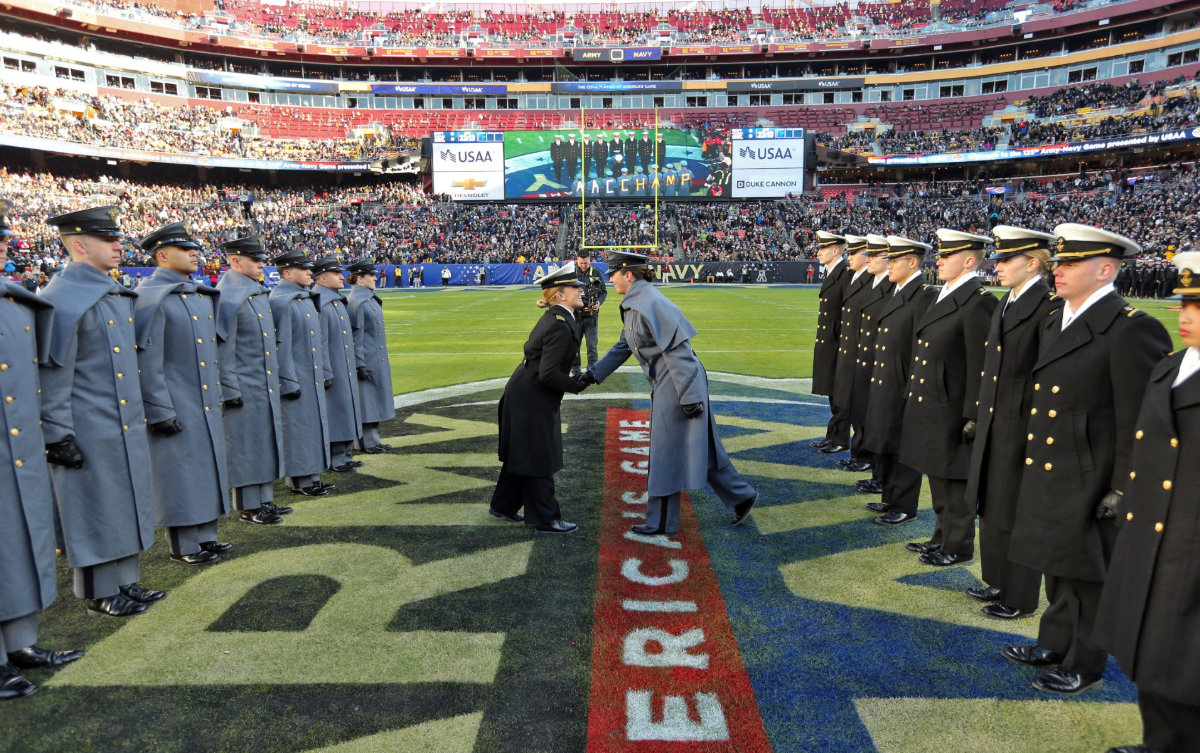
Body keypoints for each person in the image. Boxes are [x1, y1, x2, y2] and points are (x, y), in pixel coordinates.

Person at [1004, 223, 1171, 697]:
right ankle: (1055, 643)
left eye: (1070, 263)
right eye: (1058, 261)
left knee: (1089, 573)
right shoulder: (1059, 316)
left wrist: (1122, 487)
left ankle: (1086, 662)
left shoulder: (1131, 327)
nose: (1058, 270)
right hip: (1051, 464)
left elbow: (1139, 420)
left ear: (1104, 269)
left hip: (1091, 472)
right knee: (1056, 562)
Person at [1096, 251, 1200, 753]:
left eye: (1198, 308)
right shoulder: (1173, 366)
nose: (1185, 316)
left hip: (1190, 545)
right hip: (1154, 538)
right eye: (1185, 303)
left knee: (1186, 665)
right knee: (1153, 655)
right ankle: (1161, 742)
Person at [39, 206, 164, 618]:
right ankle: (99, 591)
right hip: (87, 424)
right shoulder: (62, 298)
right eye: (107, 240)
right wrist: (56, 432)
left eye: (117, 238)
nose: (117, 246)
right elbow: (53, 371)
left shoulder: (109, 291)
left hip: (121, 421)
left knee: (123, 501)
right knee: (92, 505)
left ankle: (125, 580)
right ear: (78, 244)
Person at [583, 251, 758, 535]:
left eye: (613, 273)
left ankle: (661, 521)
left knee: (665, 451)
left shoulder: (650, 301)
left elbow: (679, 352)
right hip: (672, 381)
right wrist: (593, 373)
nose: (610, 278)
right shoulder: (638, 301)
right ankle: (742, 495)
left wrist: (688, 397)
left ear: (628, 274)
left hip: (678, 382)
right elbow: (624, 345)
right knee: (702, 446)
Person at [0, 200, 82, 699]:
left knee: (16, 542)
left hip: (20, 445)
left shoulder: (17, 302)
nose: (6, 244)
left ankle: (20, 643)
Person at [962, 226, 1061, 620]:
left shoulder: (1047, 306)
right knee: (993, 504)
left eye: (1006, 260)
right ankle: (997, 580)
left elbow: (1045, 377)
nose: (997, 266)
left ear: (1032, 263)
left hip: (1021, 424)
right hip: (995, 419)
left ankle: (1019, 596)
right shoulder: (1008, 301)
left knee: (1017, 511)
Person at [899, 229, 998, 566]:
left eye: (946, 255)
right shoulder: (944, 294)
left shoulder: (979, 301)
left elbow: (981, 364)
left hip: (953, 405)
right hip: (933, 401)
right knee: (938, 475)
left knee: (955, 479)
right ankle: (940, 537)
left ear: (969, 261)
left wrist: (973, 414)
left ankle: (957, 546)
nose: (938, 260)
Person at [134, 223, 230, 566]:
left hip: (202, 400)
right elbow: (148, 360)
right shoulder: (151, 297)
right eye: (185, 249)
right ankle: (184, 545)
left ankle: (206, 536)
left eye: (195, 248)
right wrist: (159, 409)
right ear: (162, 255)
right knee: (180, 473)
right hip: (175, 401)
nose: (195, 253)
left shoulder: (197, 293)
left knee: (205, 466)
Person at [490, 263, 588, 534]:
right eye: (574, 287)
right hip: (532, 395)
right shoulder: (558, 323)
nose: (581, 289)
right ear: (560, 295)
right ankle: (546, 519)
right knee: (537, 455)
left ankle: (503, 505)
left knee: (524, 450)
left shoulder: (560, 317)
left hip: (526, 391)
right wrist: (576, 385)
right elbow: (548, 374)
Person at [864, 235, 936, 524]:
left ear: (913, 262)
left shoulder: (924, 294)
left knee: (904, 446)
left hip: (904, 382)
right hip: (888, 380)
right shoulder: (900, 289)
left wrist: (911, 385)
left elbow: (922, 346)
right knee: (888, 440)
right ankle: (891, 499)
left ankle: (904, 505)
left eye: (894, 260)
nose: (888, 264)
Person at [215, 236, 286, 525]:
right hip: (243, 384)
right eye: (255, 260)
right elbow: (223, 348)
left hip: (262, 381)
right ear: (235, 261)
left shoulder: (253, 292)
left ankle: (265, 499)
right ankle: (248, 505)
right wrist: (229, 388)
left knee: (264, 441)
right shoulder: (228, 296)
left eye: (261, 259)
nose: (261, 264)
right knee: (245, 444)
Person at [269, 250, 334, 497]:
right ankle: (299, 480)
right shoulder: (281, 300)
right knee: (297, 429)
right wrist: (287, 380)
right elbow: (280, 345)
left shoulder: (302, 298)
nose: (310, 272)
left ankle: (312, 477)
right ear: (287, 272)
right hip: (296, 377)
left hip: (310, 374)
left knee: (311, 427)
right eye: (304, 268)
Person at [311, 256, 362, 474]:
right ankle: (335, 458)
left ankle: (344, 454)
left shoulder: (334, 300)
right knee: (335, 412)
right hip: (333, 367)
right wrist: (325, 369)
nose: (342, 277)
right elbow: (319, 342)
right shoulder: (320, 302)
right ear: (322, 278)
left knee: (345, 409)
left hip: (344, 365)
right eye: (336, 274)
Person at [851, 235, 894, 493]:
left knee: (880, 425)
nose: (868, 259)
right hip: (867, 362)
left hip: (881, 367)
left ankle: (881, 479)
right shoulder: (875, 283)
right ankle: (876, 474)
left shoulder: (891, 287)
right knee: (868, 419)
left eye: (873, 255)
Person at [830, 235, 871, 469]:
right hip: (851, 353)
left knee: (862, 412)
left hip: (862, 356)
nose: (850, 256)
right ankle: (859, 455)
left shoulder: (871, 282)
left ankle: (864, 458)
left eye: (854, 253)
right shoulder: (857, 279)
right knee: (854, 408)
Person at [347, 259, 395, 454]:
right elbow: (355, 336)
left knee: (375, 401)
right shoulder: (357, 302)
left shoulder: (368, 299)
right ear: (359, 278)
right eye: (371, 275)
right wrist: (359, 363)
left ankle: (372, 439)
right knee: (366, 402)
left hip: (376, 358)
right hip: (367, 360)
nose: (376, 278)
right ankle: (366, 442)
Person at [809, 231, 851, 454]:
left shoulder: (845, 273)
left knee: (840, 393)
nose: (818, 252)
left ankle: (841, 439)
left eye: (822, 249)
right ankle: (832, 435)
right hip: (830, 341)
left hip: (837, 342)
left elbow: (848, 312)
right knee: (832, 392)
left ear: (836, 250)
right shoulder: (834, 271)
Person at [571, 249, 608, 376]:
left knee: (592, 346)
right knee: (574, 346)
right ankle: (575, 371)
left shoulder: (596, 272)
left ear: (590, 260)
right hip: (575, 316)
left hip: (591, 316)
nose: (583, 265)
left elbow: (604, 291)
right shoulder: (571, 273)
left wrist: (599, 303)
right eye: (581, 263)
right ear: (577, 260)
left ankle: (592, 371)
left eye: (586, 263)